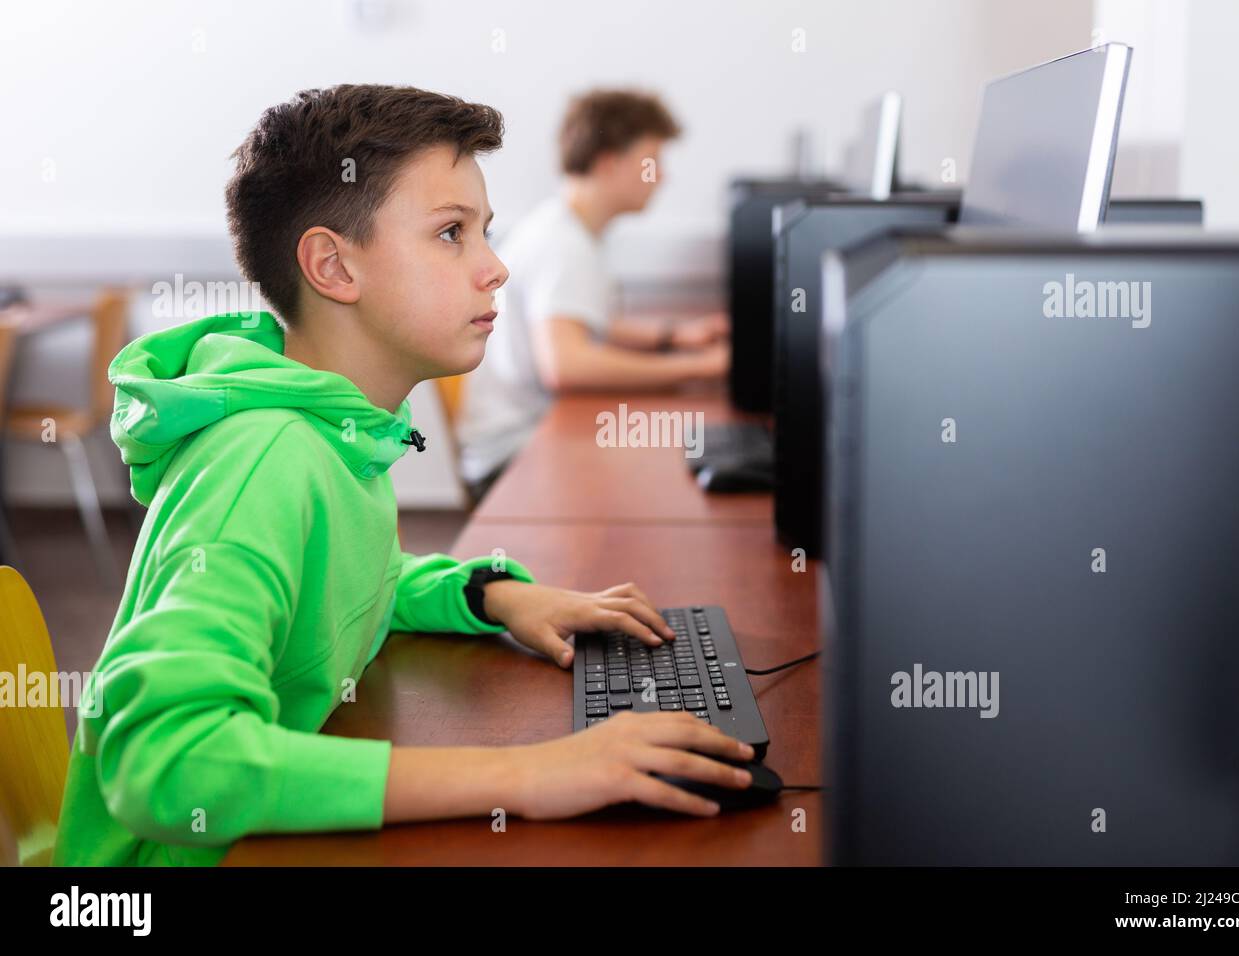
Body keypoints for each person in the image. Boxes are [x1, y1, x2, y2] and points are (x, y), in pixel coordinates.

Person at [52, 85, 753, 867]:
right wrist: (525, 772)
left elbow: (359, 580)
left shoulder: (339, 434)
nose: (494, 268)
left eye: (484, 232)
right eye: (451, 233)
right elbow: (168, 763)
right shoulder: (264, 463)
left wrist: (494, 594)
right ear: (332, 266)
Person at [456, 89, 729, 498]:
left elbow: (577, 321)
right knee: (665, 473)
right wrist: (697, 369)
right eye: (652, 161)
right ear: (609, 163)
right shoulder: (565, 246)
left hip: (520, 443)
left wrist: (672, 336)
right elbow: (567, 365)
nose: (663, 176)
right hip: (512, 461)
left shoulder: (563, 228)